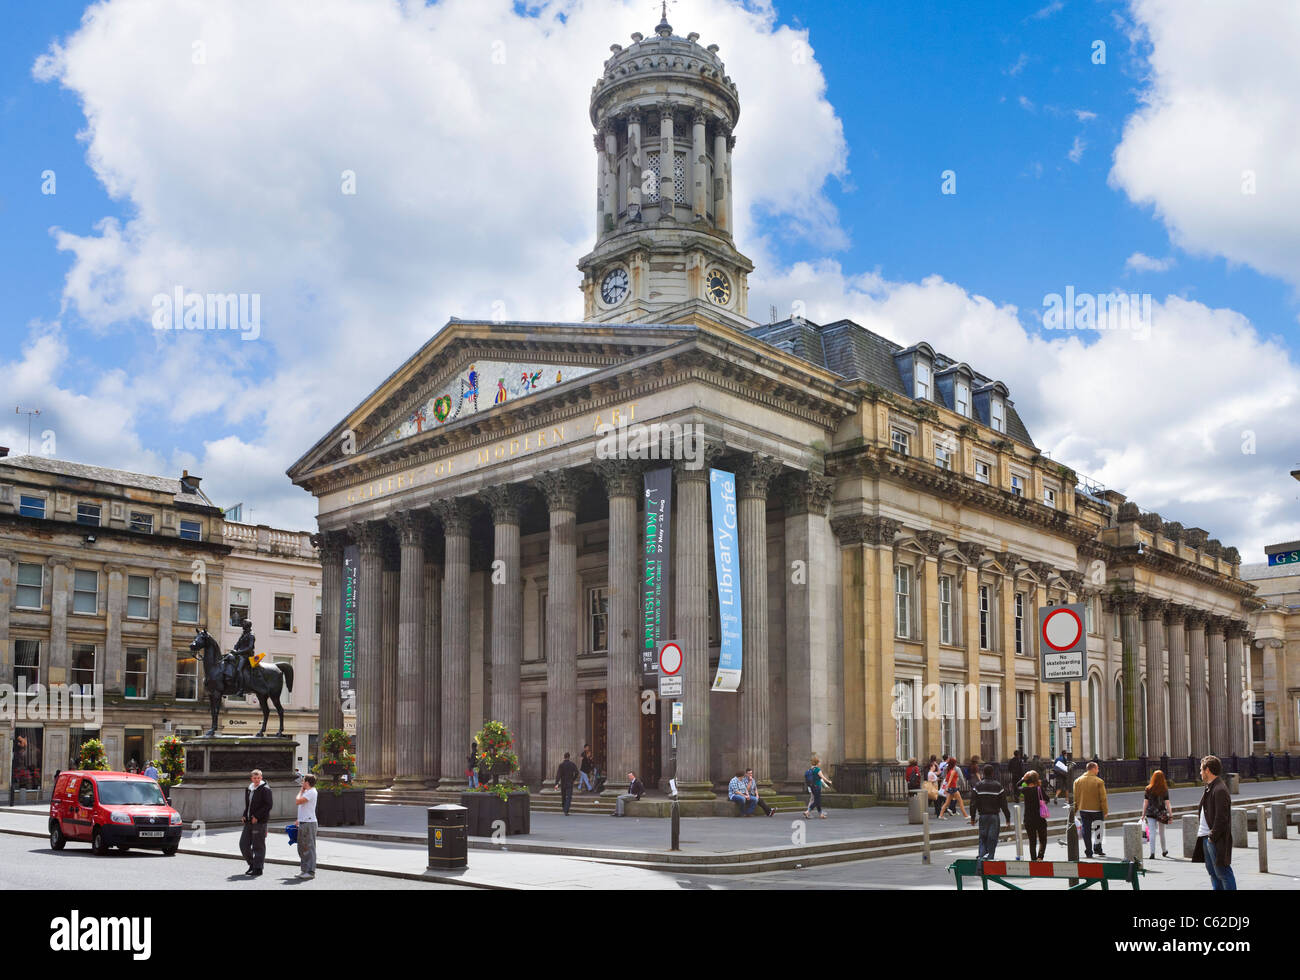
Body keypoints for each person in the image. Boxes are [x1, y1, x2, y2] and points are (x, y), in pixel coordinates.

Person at [1192, 755, 1236, 890]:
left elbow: (1221, 818)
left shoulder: (1220, 789)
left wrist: (1212, 837)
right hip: (1206, 836)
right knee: (1213, 873)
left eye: (1201, 770)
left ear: (1208, 770)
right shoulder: (1210, 787)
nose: (1200, 772)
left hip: (1214, 839)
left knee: (1223, 872)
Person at [970, 764, 1011, 860]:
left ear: (983, 773)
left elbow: (973, 804)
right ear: (992, 773)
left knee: (983, 838)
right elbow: (1004, 804)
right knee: (992, 839)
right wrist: (1007, 818)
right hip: (994, 816)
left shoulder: (978, 786)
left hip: (983, 816)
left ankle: (981, 857)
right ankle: (990, 858)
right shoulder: (998, 786)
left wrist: (972, 818)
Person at [240, 768, 272, 877]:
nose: (257, 779)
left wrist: (257, 817)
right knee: (243, 844)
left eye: (258, 777)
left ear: (261, 778)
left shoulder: (265, 789)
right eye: (255, 778)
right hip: (248, 821)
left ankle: (258, 868)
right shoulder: (249, 788)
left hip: (259, 822)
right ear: (251, 778)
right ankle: (252, 864)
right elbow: (248, 805)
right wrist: (244, 815)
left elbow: (268, 805)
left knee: (258, 846)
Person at [1073, 760, 1108, 858]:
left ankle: (1088, 851)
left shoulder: (1077, 781)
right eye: (1097, 768)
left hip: (1084, 809)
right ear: (1093, 769)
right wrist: (1105, 810)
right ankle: (1097, 848)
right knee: (1099, 829)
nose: (1098, 770)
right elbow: (1103, 798)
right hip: (1097, 809)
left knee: (1086, 830)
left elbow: (1076, 797)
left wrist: (1074, 810)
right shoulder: (1099, 781)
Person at [1020, 770, 1048, 861]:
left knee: (1032, 841)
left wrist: (1022, 779)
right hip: (1040, 818)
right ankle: (1040, 857)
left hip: (1028, 819)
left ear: (1027, 780)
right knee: (1042, 839)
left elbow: (1015, 787)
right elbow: (1047, 799)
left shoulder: (1025, 790)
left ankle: (1033, 859)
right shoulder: (1039, 789)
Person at [294, 773, 318, 879]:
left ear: (307, 782)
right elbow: (304, 807)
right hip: (304, 821)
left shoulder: (311, 792)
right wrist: (299, 819)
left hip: (309, 823)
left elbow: (298, 801)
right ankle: (304, 870)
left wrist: (301, 791)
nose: (302, 782)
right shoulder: (308, 792)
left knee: (309, 847)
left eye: (303, 781)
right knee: (302, 847)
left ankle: (310, 871)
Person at [1144, 769, 1172, 859]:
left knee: (1152, 832)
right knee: (1161, 833)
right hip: (1161, 813)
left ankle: (1152, 853)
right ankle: (1164, 850)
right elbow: (1167, 803)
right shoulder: (1164, 789)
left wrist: (1143, 814)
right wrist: (1170, 815)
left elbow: (1145, 803)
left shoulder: (1148, 788)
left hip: (1151, 812)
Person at [230, 619, 257, 697]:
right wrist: (234, 650)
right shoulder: (243, 634)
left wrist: (238, 652)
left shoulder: (251, 635)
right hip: (240, 654)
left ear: (247, 625)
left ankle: (241, 689)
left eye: (243, 624)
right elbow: (237, 644)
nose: (242, 625)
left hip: (247, 656)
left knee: (239, 669)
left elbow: (249, 648)